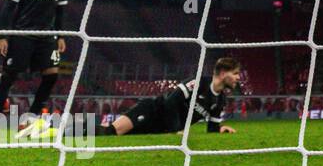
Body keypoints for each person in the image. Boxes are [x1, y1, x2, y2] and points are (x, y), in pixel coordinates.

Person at [0, 0, 68, 137]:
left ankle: (31, 118)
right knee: (10, 76)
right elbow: (8, 8)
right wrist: (2, 36)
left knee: (51, 75)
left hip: (47, 37)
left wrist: (60, 36)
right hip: (23, 34)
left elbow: (60, 13)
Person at [102, 56, 241, 136]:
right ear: (223, 74)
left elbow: (212, 128)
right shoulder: (198, 83)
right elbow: (171, 102)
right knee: (112, 132)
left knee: (122, 136)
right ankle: (80, 125)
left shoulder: (220, 100)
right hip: (152, 111)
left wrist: (220, 129)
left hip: (159, 129)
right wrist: (175, 130)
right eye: (235, 73)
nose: (238, 77)